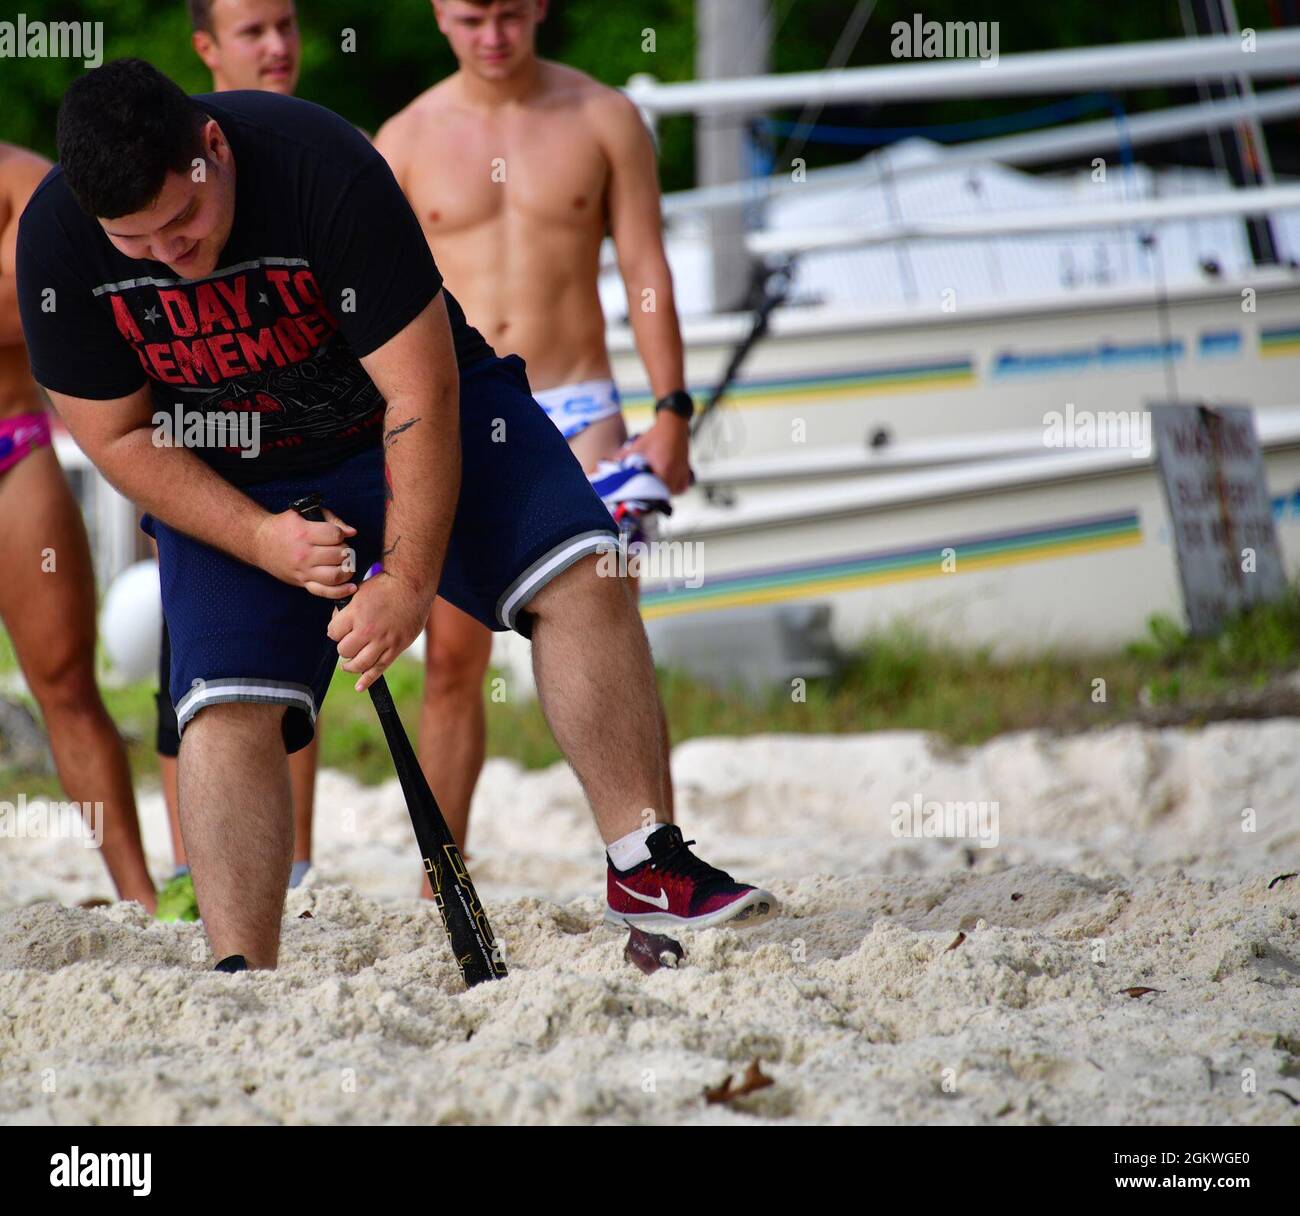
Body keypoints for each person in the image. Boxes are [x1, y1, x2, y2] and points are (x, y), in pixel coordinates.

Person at [18, 59, 777, 971]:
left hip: (410, 411)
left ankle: (646, 863)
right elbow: (117, 436)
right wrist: (259, 536)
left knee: (582, 568)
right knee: (222, 706)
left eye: (182, 221)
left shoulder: (321, 166)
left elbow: (420, 393)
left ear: (210, 149)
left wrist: (409, 581)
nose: (170, 255)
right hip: (227, 464)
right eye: (136, 243)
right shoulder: (57, 240)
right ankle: (240, 972)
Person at [375, 0, 692, 884]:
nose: (493, 35)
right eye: (472, 16)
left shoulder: (603, 116)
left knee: (614, 638)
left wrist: (672, 408)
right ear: (439, 12)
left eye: (511, 13)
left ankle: (661, 863)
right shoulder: (403, 140)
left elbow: (646, 268)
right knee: (452, 662)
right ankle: (443, 881)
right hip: (463, 408)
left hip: (582, 404)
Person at [152, 0, 311, 921]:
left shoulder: (324, 151)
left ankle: (300, 862)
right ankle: (194, 872)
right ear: (207, 47)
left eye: (286, 24)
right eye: (254, 31)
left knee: (311, 664)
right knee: (197, 668)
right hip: (204, 451)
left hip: (320, 440)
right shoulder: (157, 167)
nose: (278, 46)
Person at [0, 140, 155, 912]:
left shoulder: (25, 180)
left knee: (65, 680)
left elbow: (42, 302)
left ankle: (139, 897)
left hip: (11, 440)